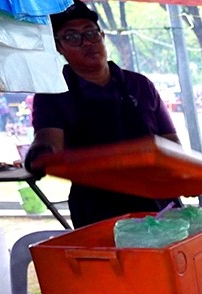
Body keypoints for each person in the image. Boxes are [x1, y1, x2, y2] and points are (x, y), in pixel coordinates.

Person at [24, 0, 181, 227]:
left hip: (157, 202)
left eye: (91, 33)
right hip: (98, 210)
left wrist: (182, 175)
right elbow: (49, 141)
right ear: (59, 47)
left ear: (103, 36)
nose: (86, 42)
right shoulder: (53, 93)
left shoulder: (139, 85)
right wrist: (40, 155)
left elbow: (170, 141)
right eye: (72, 37)